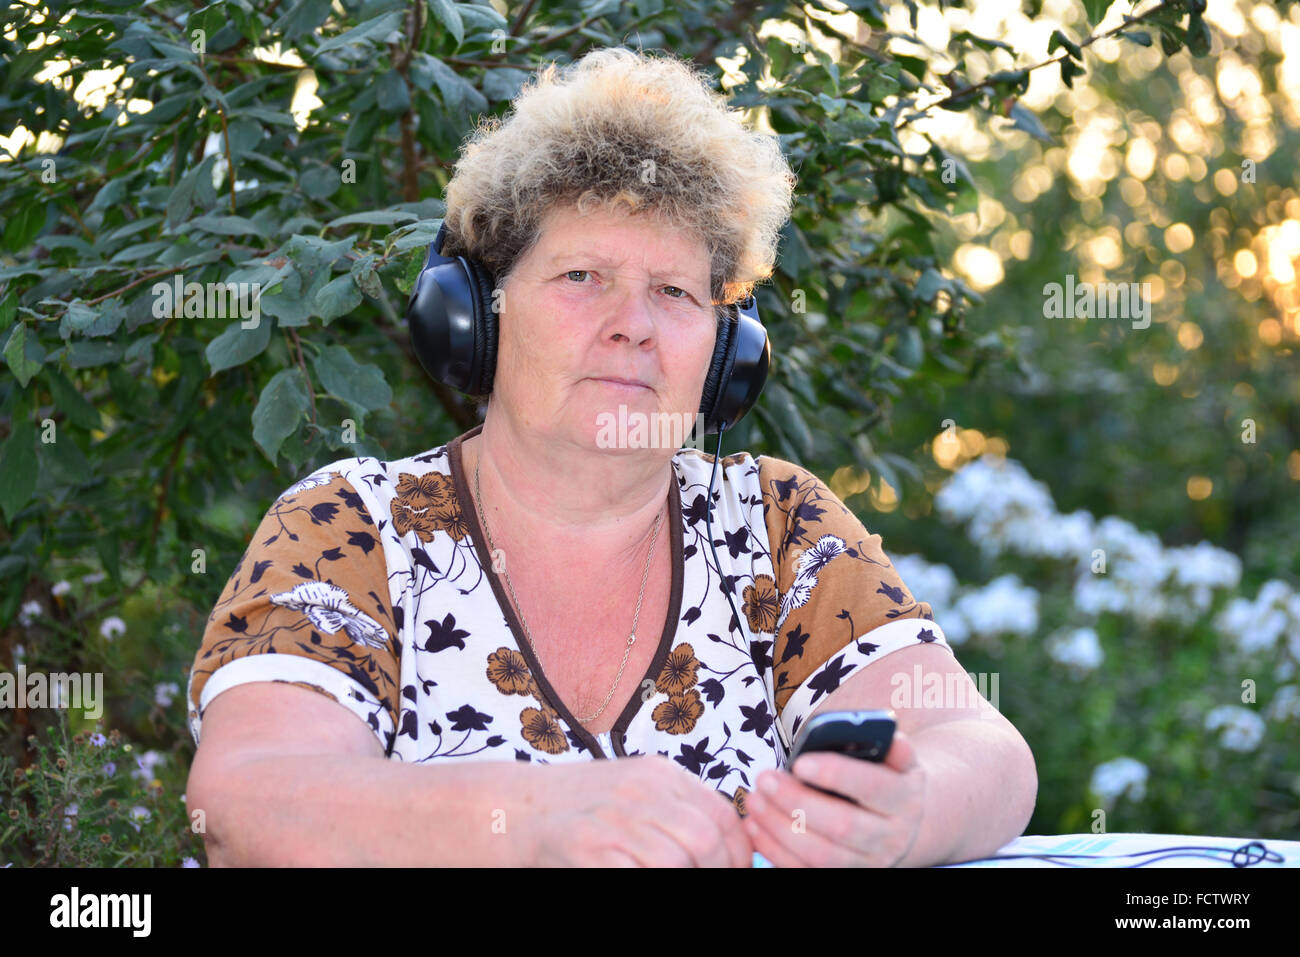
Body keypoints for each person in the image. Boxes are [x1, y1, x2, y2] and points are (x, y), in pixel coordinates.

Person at [184, 46, 1036, 867]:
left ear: (726, 350)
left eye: (673, 291)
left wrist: (910, 811)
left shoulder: (775, 524)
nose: (634, 324)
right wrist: (539, 820)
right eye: (583, 275)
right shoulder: (349, 524)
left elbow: (983, 750)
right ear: (478, 316)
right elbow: (245, 802)